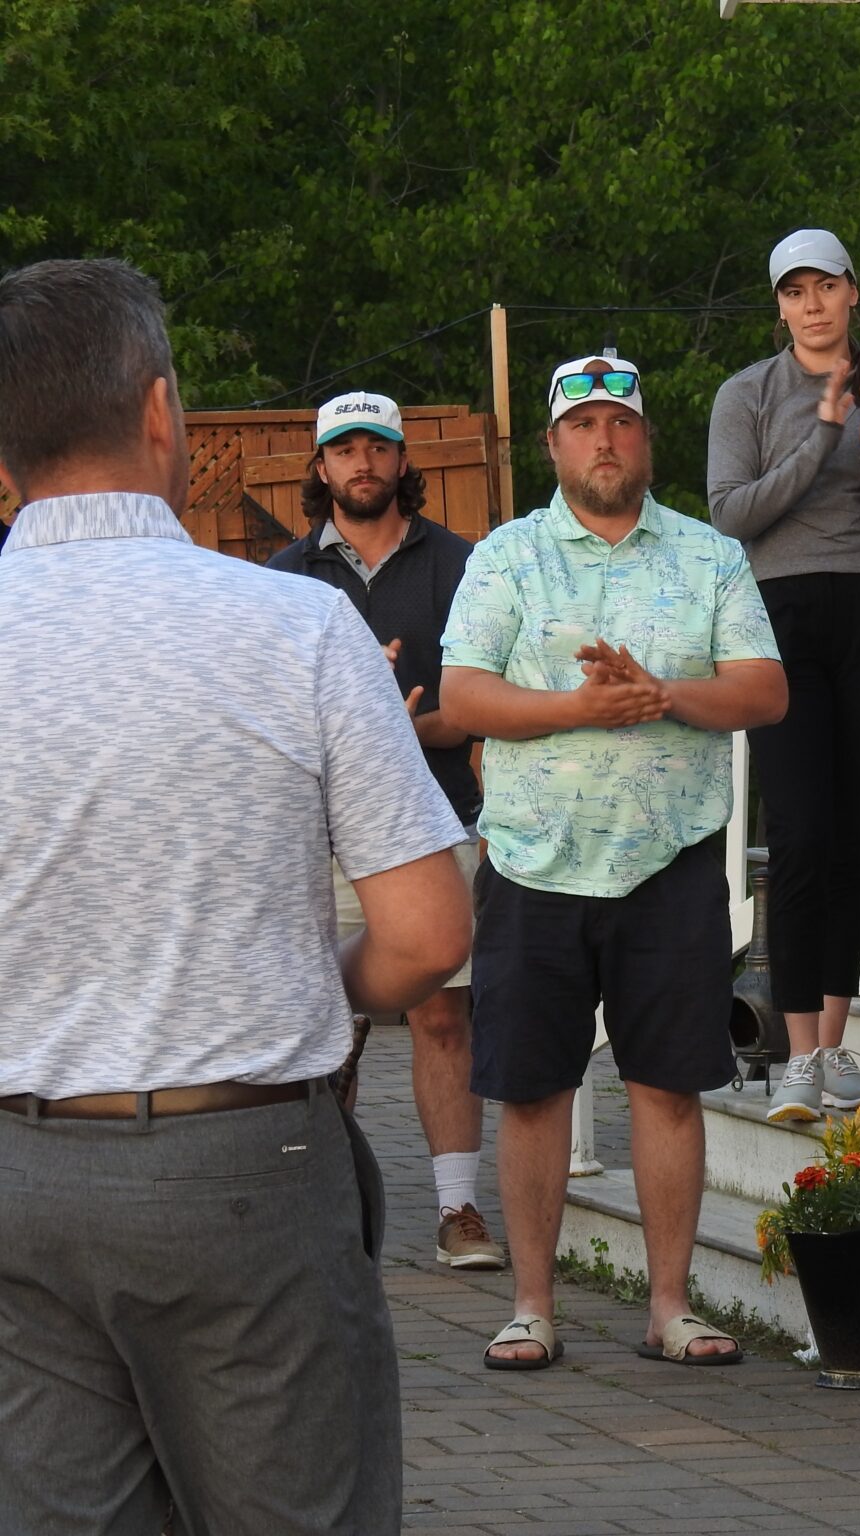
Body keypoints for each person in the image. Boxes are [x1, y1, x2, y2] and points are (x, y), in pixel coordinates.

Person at [0, 258, 471, 1531]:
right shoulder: (298, 627)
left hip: (20, 1175)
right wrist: (302, 983)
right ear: (161, 415)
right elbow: (428, 933)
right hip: (245, 1162)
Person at [440, 354, 787, 1371]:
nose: (603, 441)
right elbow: (462, 698)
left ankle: (669, 1306)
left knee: (666, 1088)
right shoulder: (506, 557)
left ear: (645, 440)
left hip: (668, 861)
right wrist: (579, 708)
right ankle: (533, 1306)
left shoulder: (709, 557)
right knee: (536, 1089)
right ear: (551, 445)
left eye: (620, 424)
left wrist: (663, 692)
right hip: (533, 860)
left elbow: (763, 691)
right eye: (583, 424)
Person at [268, 389, 503, 1269]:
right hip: (313, 827)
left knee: (444, 1014)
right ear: (320, 468)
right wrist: (351, 715)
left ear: (405, 463)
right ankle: (320, 1215)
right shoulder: (281, 577)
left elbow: (487, 700)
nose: (361, 463)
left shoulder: (467, 565)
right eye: (343, 449)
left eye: (377, 447)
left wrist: (406, 724)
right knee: (325, 1021)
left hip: (434, 814)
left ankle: (457, 1211)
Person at [708, 230, 860, 1124]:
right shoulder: (747, 395)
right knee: (799, 836)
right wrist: (823, 437)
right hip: (782, 614)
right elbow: (732, 514)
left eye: (825, 287)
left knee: (859, 840)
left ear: (851, 292)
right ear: (779, 305)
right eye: (793, 291)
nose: (811, 305)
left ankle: (836, 1045)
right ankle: (795, 1054)